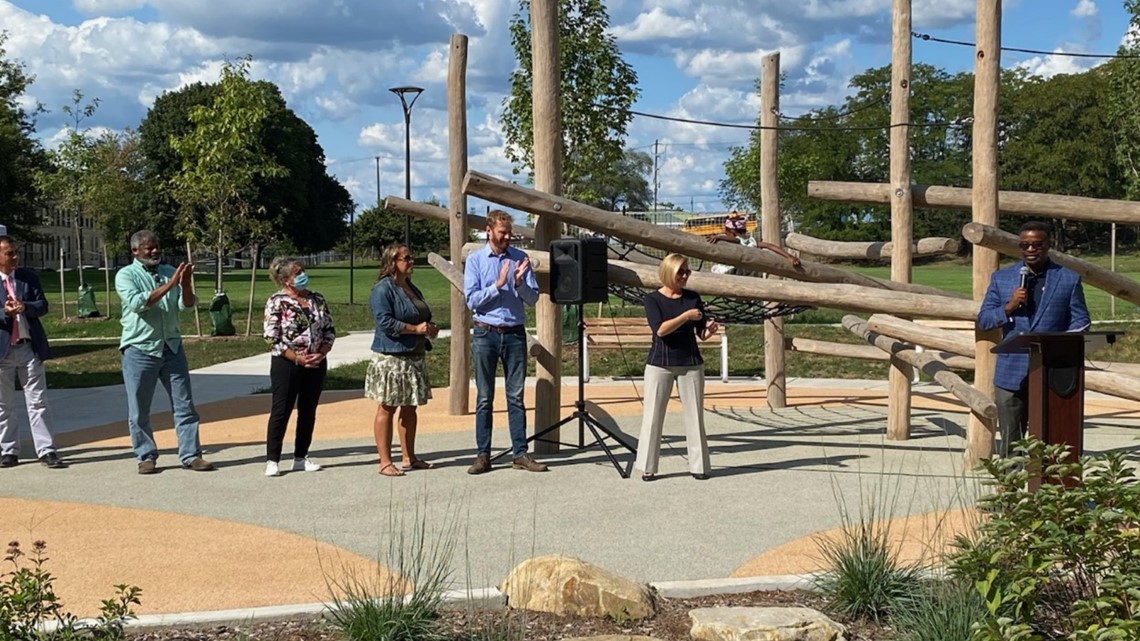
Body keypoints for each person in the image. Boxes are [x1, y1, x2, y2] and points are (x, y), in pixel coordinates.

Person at [977, 220, 1090, 456]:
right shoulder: (1002, 278)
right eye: (1025, 245)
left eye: (1037, 244)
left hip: (1052, 372)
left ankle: (1047, 489)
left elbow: (1080, 322)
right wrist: (1009, 306)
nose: (1030, 250)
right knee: (1011, 443)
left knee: (1051, 439)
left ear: (1048, 245)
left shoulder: (1067, 279)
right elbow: (984, 320)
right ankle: (1011, 490)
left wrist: (1066, 341)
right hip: (1011, 374)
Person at [115, 230, 213, 474]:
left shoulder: (170, 271)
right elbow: (139, 303)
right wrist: (171, 284)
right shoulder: (125, 275)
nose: (155, 251)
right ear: (135, 251)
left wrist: (186, 283)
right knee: (139, 409)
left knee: (185, 405)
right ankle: (145, 456)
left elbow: (187, 305)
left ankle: (191, 455)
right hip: (140, 349)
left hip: (171, 347)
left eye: (157, 246)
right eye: (149, 248)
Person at [463, 209, 548, 475]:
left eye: (510, 233)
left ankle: (520, 454)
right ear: (489, 231)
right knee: (485, 398)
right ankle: (482, 455)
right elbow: (471, 300)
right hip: (485, 333)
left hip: (513, 333)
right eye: (502, 233)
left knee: (516, 397)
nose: (507, 237)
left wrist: (520, 283)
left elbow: (533, 299)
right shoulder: (476, 260)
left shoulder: (521, 259)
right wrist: (497, 286)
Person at [635, 253, 719, 482]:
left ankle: (699, 466)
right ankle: (648, 466)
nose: (685, 276)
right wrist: (685, 316)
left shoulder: (693, 298)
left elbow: (701, 333)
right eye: (680, 272)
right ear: (668, 273)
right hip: (660, 364)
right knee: (652, 417)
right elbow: (660, 330)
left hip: (690, 363)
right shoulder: (652, 299)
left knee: (695, 416)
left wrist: (709, 330)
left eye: (687, 271)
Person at [367, 244, 438, 477]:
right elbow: (385, 322)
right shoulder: (382, 289)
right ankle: (385, 461)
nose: (411, 261)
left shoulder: (410, 286)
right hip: (391, 358)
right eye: (406, 258)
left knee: (410, 407)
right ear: (392, 262)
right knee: (387, 406)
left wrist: (429, 328)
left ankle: (410, 457)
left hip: (414, 356)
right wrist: (414, 329)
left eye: (411, 257)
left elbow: (421, 315)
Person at [262, 257, 335, 477]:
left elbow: (329, 330)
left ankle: (300, 457)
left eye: (302, 270)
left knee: (308, 410)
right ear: (285, 279)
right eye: (297, 272)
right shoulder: (276, 301)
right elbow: (271, 337)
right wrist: (296, 358)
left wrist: (321, 353)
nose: (303, 274)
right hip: (287, 363)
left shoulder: (317, 299)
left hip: (315, 363)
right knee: (281, 410)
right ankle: (273, 460)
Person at [0, 235, 66, 469]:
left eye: (16, 252)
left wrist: (25, 307)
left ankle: (47, 450)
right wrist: (4, 312)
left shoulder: (28, 278)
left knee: (38, 401)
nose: (15, 257)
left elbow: (43, 306)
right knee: (4, 405)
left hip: (29, 348)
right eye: (9, 253)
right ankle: (8, 451)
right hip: (3, 352)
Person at [708, 211, 800, 274]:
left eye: (726, 232)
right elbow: (769, 246)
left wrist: (719, 237)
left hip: (733, 272)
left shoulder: (737, 241)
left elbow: (736, 240)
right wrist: (789, 256)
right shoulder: (751, 241)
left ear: (731, 232)